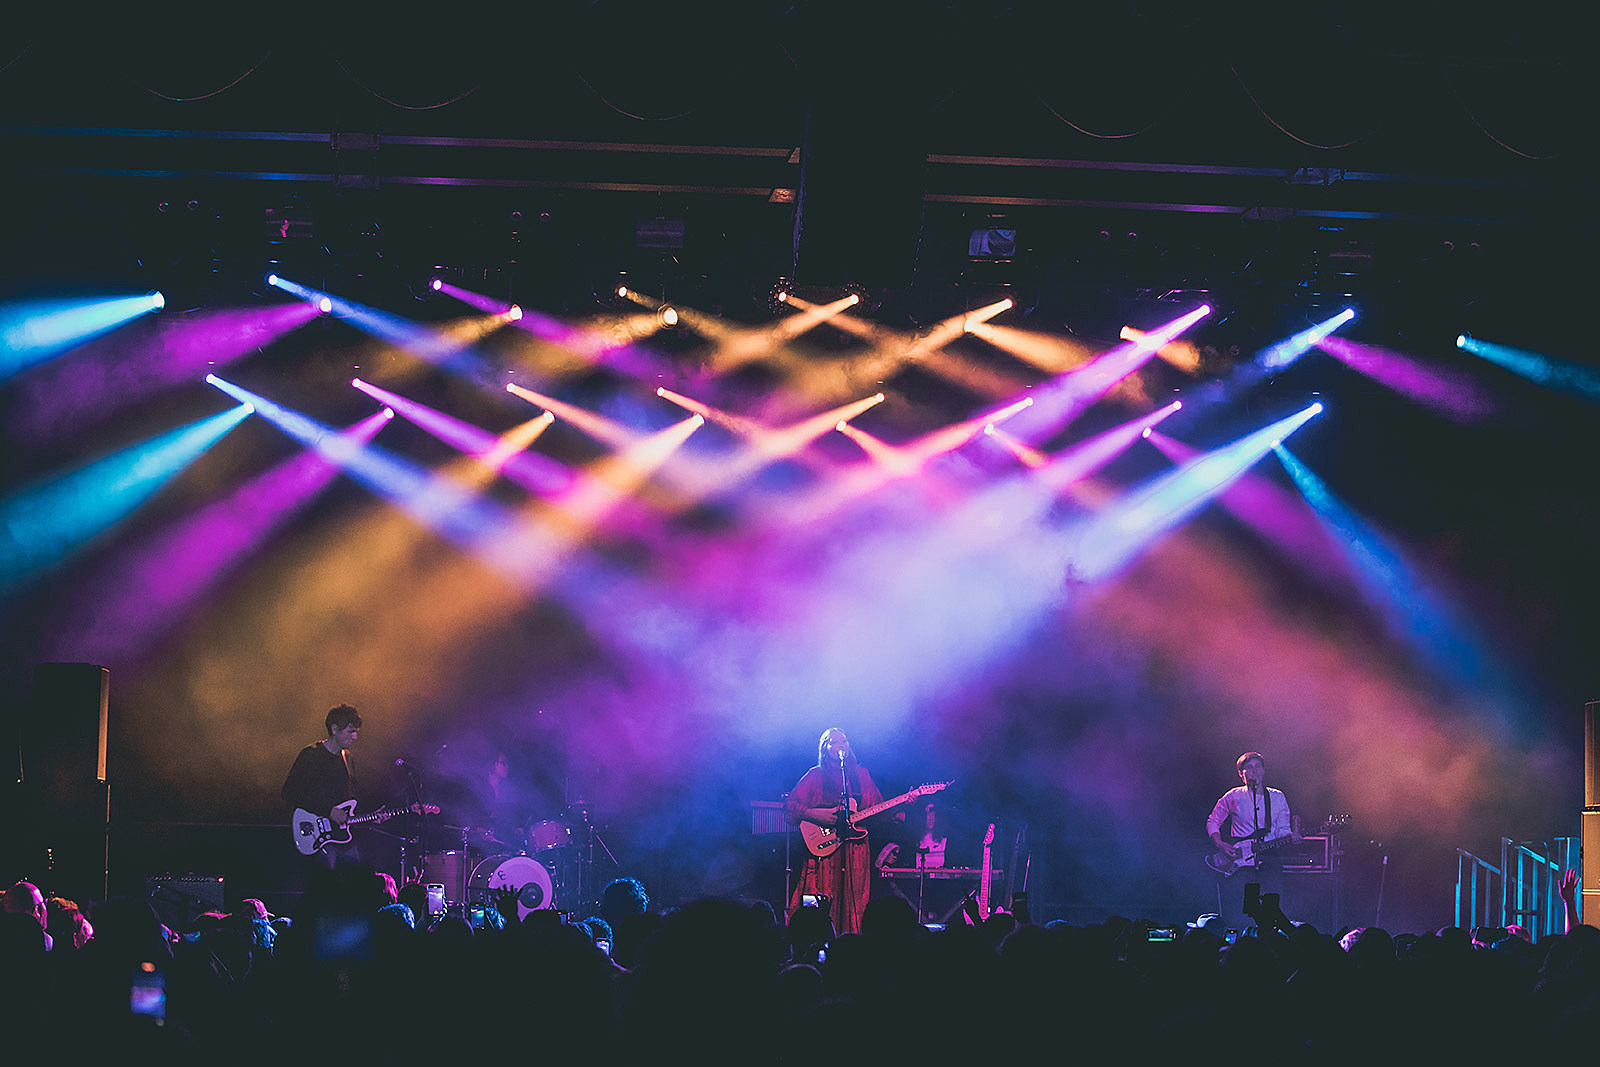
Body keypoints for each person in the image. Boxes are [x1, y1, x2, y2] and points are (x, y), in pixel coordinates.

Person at [786, 728, 882, 935]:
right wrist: (815, 815)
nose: (841, 745)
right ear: (825, 748)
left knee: (854, 900)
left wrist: (902, 805)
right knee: (824, 896)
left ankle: (851, 944)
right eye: (834, 742)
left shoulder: (860, 775)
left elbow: (876, 808)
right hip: (824, 849)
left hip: (855, 849)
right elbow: (790, 805)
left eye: (844, 741)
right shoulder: (815, 775)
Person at [1205, 751, 1297, 932]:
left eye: (1258, 767)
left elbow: (1283, 831)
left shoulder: (1277, 797)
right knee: (1242, 910)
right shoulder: (1233, 796)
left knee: (1273, 907)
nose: (1254, 772)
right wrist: (1219, 843)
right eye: (1249, 768)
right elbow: (1213, 820)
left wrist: (1292, 837)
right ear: (1241, 773)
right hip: (1240, 860)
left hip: (1269, 857)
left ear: (1264, 771)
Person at [282, 704, 363, 868]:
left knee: (355, 888)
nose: (354, 737)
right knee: (325, 888)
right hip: (319, 837)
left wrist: (373, 815)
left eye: (356, 732)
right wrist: (329, 811)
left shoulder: (348, 759)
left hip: (344, 836)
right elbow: (289, 792)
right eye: (350, 731)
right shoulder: (311, 755)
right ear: (334, 729)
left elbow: (351, 798)